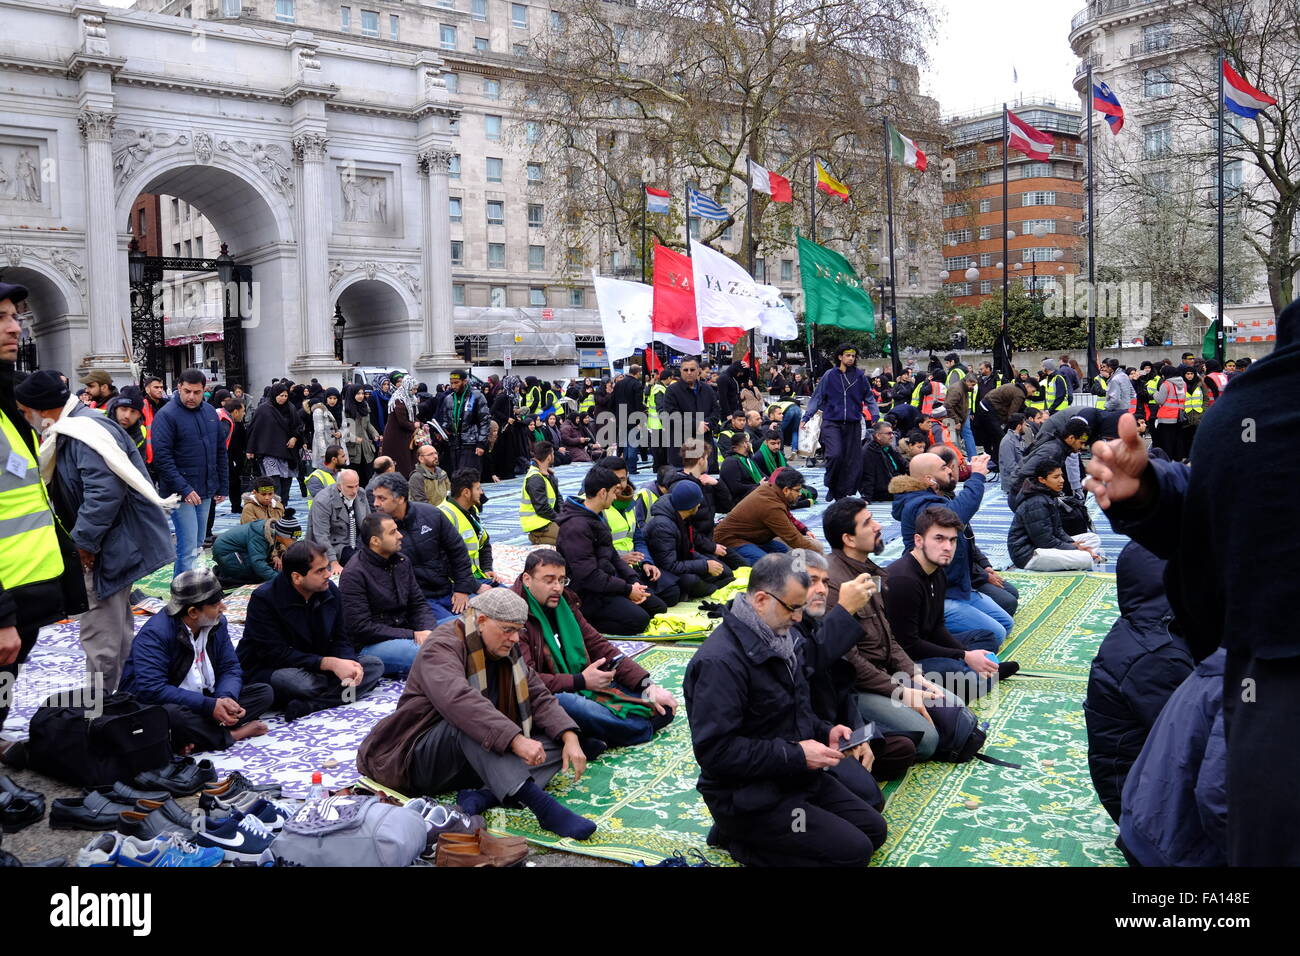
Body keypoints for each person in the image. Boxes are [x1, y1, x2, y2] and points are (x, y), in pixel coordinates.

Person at [683, 552, 888, 867]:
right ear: (762, 599)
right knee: (853, 853)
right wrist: (797, 755)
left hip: (792, 777)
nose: (798, 618)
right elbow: (716, 753)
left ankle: (765, 834)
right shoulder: (719, 663)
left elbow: (794, 710)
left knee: (874, 830)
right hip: (748, 797)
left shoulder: (781, 636)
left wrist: (825, 731)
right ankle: (739, 841)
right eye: (793, 607)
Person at [356, 587, 597, 841]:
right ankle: (544, 809)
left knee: (549, 740)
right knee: (477, 725)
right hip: (413, 757)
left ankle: (484, 795)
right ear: (481, 621)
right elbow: (459, 701)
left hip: (469, 760)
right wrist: (515, 740)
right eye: (508, 629)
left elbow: (538, 695)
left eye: (519, 630)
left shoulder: (506, 650)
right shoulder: (442, 645)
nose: (515, 638)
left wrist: (569, 737)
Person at [14, 370, 172, 696]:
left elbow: (103, 495)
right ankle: (124, 698)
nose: (24, 418)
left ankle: (102, 709)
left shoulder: (84, 432)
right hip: (111, 544)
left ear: (41, 410)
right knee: (115, 626)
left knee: (101, 630)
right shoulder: (75, 428)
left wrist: (83, 545)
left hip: (106, 547)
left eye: (24, 411)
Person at [513, 549, 676, 749]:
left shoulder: (565, 602)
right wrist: (580, 681)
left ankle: (591, 735)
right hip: (545, 696)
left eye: (562, 580)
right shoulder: (515, 616)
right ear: (527, 579)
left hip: (580, 681)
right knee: (569, 704)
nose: (557, 588)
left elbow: (599, 646)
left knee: (662, 706)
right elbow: (526, 680)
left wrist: (646, 684)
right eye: (549, 580)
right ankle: (637, 729)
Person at [1083, 541, 1192, 824]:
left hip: (1144, 793)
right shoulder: (1159, 658)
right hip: (1149, 815)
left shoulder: (1150, 629)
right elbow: (1202, 745)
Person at [120, 569, 272, 754]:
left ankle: (195, 737)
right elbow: (152, 689)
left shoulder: (217, 623)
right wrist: (208, 706)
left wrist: (225, 698)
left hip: (203, 698)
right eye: (216, 604)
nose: (223, 608)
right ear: (193, 612)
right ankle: (231, 735)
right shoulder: (156, 634)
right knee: (174, 718)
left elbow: (230, 667)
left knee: (263, 692)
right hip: (164, 704)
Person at [237, 540, 383, 722]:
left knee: (373, 666)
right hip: (276, 667)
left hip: (317, 665)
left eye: (327, 567)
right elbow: (274, 653)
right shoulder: (265, 599)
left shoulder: (330, 591)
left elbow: (341, 637)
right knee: (300, 684)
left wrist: (349, 663)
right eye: (320, 571)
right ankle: (338, 692)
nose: (328, 574)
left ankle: (311, 705)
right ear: (297, 577)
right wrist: (328, 664)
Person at [884, 506, 1017, 700]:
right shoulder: (903, 580)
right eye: (939, 538)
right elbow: (907, 645)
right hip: (902, 662)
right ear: (918, 540)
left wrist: (962, 653)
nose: (947, 546)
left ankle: (975, 674)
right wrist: (963, 656)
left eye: (952, 540)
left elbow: (937, 628)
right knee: (953, 668)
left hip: (925, 644)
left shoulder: (937, 571)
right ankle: (981, 678)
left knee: (986, 636)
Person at [1117, 649, 1227, 867]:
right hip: (1171, 846)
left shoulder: (1221, 664)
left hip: (1142, 819)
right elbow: (1217, 796)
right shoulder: (1248, 686)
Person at [887, 451, 1012, 641]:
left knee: (1006, 622)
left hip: (957, 586)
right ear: (929, 479)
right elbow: (956, 517)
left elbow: (967, 540)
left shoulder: (939, 497)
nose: (949, 471)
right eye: (943, 468)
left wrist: (984, 567)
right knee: (996, 634)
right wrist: (977, 476)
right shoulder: (919, 504)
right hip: (938, 593)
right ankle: (936, 634)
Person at [554, 466, 668, 635]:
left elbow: (612, 555)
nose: (616, 497)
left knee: (658, 608)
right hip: (587, 594)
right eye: (614, 492)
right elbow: (588, 576)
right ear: (602, 493)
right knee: (640, 621)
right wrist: (627, 590)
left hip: (606, 583)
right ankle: (582, 624)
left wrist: (633, 581)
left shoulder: (596, 516)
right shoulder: (575, 527)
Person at [339, 512, 438, 677]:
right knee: (433, 653)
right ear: (375, 541)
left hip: (406, 630)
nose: (400, 536)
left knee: (463, 628)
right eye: (393, 532)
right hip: (371, 644)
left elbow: (418, 604)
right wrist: (412, 634)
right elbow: (361, 627)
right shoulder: (354, 574)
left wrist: (429, 631)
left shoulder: (402, 562)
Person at [150, 368, 228, 576]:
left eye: (196, 392)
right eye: (186, 391)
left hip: (205, 488)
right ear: (178, 388)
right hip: (180, 492)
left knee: (198, 544)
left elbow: (219, 450)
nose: (191, 396)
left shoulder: (210, 412)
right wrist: (184, 489)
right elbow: (162, 458)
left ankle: (192, 589)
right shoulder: (166, 415)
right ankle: (184, 597)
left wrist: (222, 485)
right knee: (187, 547)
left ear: (205, 390)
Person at [370, 471, 474, 623]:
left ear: (400, 499)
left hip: (449, 590)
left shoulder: (431, 514)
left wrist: (462, 589)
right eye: (375, 497)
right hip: (418, 602)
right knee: (456, 630)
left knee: (487, 617)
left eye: (381, 498)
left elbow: (457, 550)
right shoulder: (376, 529)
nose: (375, 503)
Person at [803, 345, 878, 500]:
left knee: (851, 462)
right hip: (831, 422)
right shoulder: (829, 375)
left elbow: (869, 398)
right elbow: (817, 397)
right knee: (835, 455)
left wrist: (875, 414)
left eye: (853, 355)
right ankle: (831, 483)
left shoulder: (859, 376)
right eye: (848, 355)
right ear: (840, 357)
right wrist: (806, 417)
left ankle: (842, 493)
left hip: (853, 424)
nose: (851, 358)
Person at [643, 479, 734, 603]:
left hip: (681, 561)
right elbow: (669, 565)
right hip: (664, 570)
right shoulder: (662, 526)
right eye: (698, 502)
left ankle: (700, 589)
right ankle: (712, 589)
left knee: (725, 572)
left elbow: (689, 548)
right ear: (691, 506)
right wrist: (704, 566)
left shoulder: (682, 516)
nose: (699, 505)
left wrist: (707, 562)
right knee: (692, 581)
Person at [1007, 460, 1104, 571]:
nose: (1062, 480)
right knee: (1085, 558)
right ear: (1042, 480)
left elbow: (1058, 531)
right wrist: (1074, 548)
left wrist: (1073, 544)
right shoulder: (1036, 502)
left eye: (1061, 476)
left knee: (1092, 538)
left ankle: (1072, 559)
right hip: (1028, 555)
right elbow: (1044, 541)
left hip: (1043, 546)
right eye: (1056, 477)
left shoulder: (1047, 495)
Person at [715, 467, 820, 565]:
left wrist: (804, 530)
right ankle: (723, 561)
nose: (800, 494)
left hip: (751, 538)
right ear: (786, 490)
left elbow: (789, 521)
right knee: (765, 563)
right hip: (730, 540)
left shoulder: (770, 489)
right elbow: (792, 537)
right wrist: (820, 556)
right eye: (797, 490)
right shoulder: (771, 506)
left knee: (783, 551)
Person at [437, 468, 503, 591]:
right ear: (466, 492)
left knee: (513, 595)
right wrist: (475, 586)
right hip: (458, 584)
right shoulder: (444, 515)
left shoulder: (472, 510)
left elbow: (484, 543)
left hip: (476, 577)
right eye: (478, 488)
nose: (482, 492)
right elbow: (443, 561)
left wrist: (487, 569)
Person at [245, 382, 302, 506]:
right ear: (274, 394)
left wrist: (294, 438)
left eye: (286, 396)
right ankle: (272, 512)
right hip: (269, 453)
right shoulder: (264, 410)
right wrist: (250, 449)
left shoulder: (290, 408)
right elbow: (254, 429)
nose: (283, 398)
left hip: (287, 453)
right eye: (281, 395)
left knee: (286, 486)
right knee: (274, 486)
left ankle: (282, 511)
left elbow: (298, 427)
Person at [659, 355, 720, 469]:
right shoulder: (672, 391)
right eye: (685, 370)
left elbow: (716, 411)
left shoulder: (708, 389)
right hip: (681, 452)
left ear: (698, 371)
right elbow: (672, 415)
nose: (689, 372)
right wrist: (696, 425)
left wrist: (706, 425)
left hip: (705, 450)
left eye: (692, 369)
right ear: (681, 371)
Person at [307, 468, 370, 573]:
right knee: (360, 565)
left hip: (358, 543)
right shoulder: (323, 501)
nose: (354, 491)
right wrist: (333, 562)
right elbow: (321, 536)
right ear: (339, 486)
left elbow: (369, 524)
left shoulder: (361, 493)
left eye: (356, 485)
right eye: (350, 487)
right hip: (335, 546)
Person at [212, 513, 302, 586]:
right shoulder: (259, 536)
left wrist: (276, 556)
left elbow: (273, 548)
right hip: (225, 551)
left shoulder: (273, 531)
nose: (295, 541)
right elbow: (258, 563)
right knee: (254, 576)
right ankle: (224, 574)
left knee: (269, 569)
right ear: (283, 535)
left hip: (239, 548)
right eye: (293, 539)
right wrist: (281, 580)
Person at [435, 370, 491, 474]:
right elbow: (446, 419)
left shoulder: (476, 396)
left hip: (471, 442)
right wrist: (443, 429)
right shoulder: (449, 398)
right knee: (457, 475)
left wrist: (481, 443)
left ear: (464, 381)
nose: (453, 386)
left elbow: (485, 420)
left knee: (469, 476)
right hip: (454, 443)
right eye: (451, 383)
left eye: (456, 382)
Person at [520, 440, 562, 545]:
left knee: (576, 531)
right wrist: (560, 519)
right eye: (552, 453)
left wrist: (565, 517)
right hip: (539, 524)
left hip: (548, 519)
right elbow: (542, 508)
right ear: (549, 457)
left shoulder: (547, 474)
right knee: (568, 538)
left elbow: (558, 498)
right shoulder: (535, 478)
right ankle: (536, 537)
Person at [342, 383, 380, 488]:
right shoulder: (345, 409)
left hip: (366, 447)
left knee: (368, 477)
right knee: (354, 478)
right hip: (352, 449)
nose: (361, 396)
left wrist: (375, 434)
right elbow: (343, 430)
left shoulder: (365, 405)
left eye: (362, 393)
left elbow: (368, 424)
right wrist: (354, 438)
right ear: (352, 394)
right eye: (358, 393)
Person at [858, 420, 905, 502]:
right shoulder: (869, 452)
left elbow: (904, 465)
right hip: (885, 494)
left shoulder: (888, 448)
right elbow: (868, 477)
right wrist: (866, 498)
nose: (892, 436)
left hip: (897, 489)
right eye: (889, 433)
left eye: (892, 433)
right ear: (878, 436)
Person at [611, 364, 644, 474]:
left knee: (625, 444)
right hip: (633, 418)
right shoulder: (637, 385)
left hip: (621, 417)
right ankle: (632, 468)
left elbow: (612, 401)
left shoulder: (618, 384)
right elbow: (638, 404)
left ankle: (625, 468)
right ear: (637, 372)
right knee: (632, 444)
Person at [719, 430, 762, 502]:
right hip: (739, 502)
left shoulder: (747, 459)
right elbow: (735, 487)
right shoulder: (731, 462)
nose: (750, 444)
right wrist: (758, 485)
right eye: (749, 442)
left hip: (752, 496)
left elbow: (761, 474)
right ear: (745, 444)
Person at [310, 388, 344, 468]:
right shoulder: (319, 411)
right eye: (330, 398)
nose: (332, 401)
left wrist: (341, 433)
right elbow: (319, 433)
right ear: (326, 398)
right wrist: (324, 453)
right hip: (324, 445)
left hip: (338, 446)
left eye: (335, 398)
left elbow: (345, 426)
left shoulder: (340, 409)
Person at [304, 443, 345, 508]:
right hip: (321, 514)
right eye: (343, 456)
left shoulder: (342, 472)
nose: (345, 459)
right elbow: (322, 501)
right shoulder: (315, 478)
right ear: (334, 459)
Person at [998, 413, 1029, 496]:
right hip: (1013, 483)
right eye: (1025, 425)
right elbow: (1010, 467)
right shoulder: (1007, 442)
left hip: (1020, 478)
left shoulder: (1018, 439)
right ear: (1019, 426)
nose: (1026, 428)